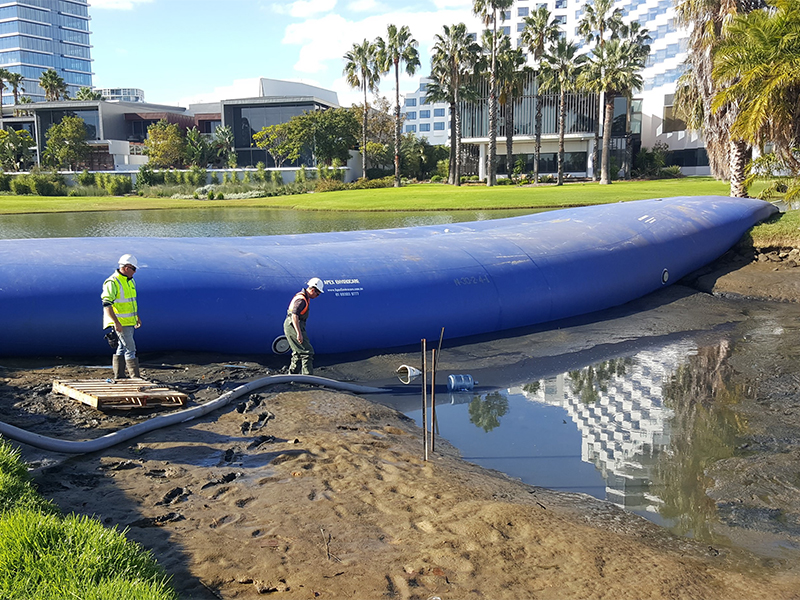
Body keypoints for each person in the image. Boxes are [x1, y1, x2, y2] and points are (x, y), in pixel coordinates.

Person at [102, 254, 141, 378]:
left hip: (129, 321)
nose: (134, 272)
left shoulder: (130, 281)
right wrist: (115, 322)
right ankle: (135, 377)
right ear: (126, 267)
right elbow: (107, 304)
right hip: (120, 322)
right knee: (130, 348)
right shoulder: (113, 282)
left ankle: (119, 375)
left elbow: (131, 302)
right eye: (133, 269)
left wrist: (137, 317)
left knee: (122, 347)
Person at [283, 277, 324, 375]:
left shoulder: (304, 297)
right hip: (293, 325)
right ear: (313, 290)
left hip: (293, 325)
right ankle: (307, 378)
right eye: (317, 294)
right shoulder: (301, 300)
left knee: (297, 352)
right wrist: (299, 333)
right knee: (307, 352)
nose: (317, 296)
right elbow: (294, 315)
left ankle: (292, 376)